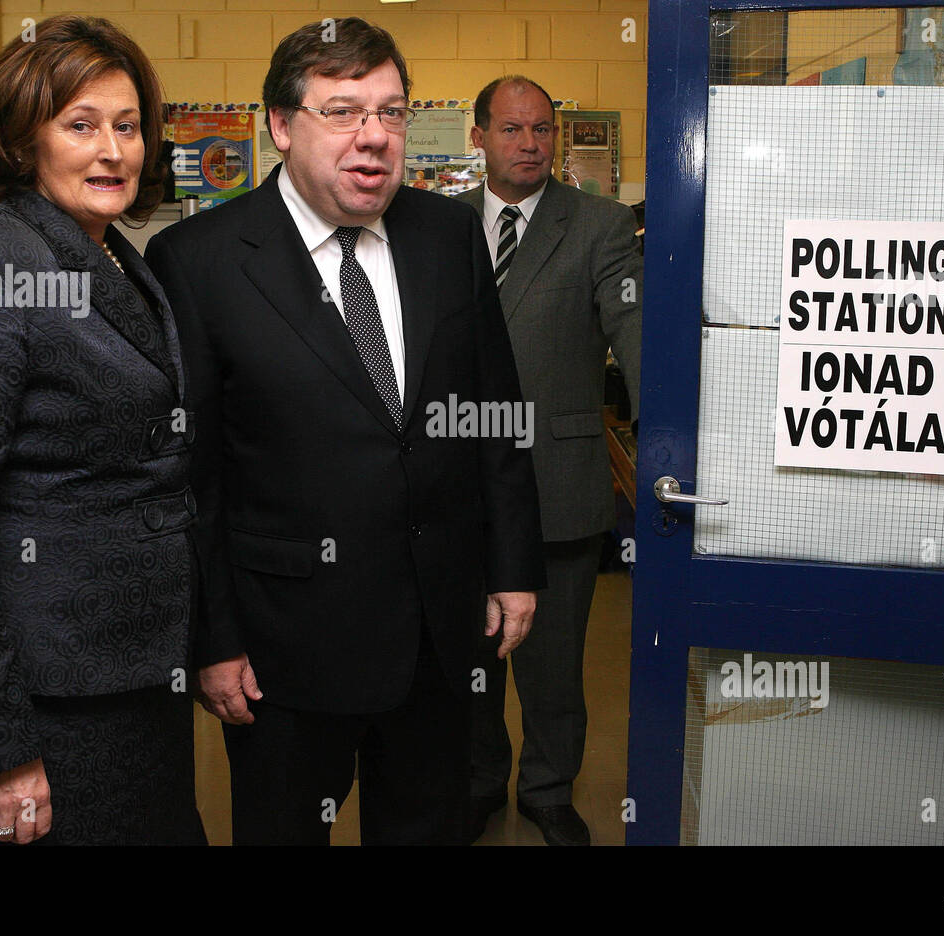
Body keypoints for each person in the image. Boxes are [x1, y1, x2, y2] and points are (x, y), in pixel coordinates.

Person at [145, 17, 546, 846]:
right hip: (283, 648)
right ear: (281, 126)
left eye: (392, 113)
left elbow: (494, 414)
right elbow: (194, 475)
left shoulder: (448, 237)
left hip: (440, 633)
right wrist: (212, 640)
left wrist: (512, 567)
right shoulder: (201, 260)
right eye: (343, 111)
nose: (374, 138)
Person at [0, 15, 204, 846]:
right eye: (81, 126)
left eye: (127, 127)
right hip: (41, 703)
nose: (113, 151)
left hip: (128, 678)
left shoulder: (115, 257)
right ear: (23, 141)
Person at [458, 76, 643, 846]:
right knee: (469, 665)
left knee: (555, 662)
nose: (530, 144)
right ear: (479, 137)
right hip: (456, 481)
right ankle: (474, 784)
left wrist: (664, 422)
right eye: (511, 130)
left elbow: (630, 326)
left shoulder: (598, 224)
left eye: (543, 130)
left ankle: (547, 788)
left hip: (556, 481)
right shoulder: (439, 223)